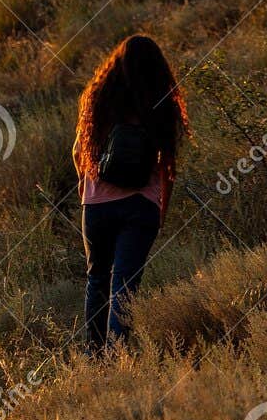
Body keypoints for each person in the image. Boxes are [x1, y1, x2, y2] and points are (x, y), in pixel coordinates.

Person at [72, 34, 189, 354]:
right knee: (124, 287)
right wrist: (160, 211)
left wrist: (85, 184)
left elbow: (77, 151)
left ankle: (93, 357)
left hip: (97, 206)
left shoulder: (97, 99)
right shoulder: (160, 102)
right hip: (141, 207)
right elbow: (168, 167)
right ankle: (116, 358)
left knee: (97, 280)